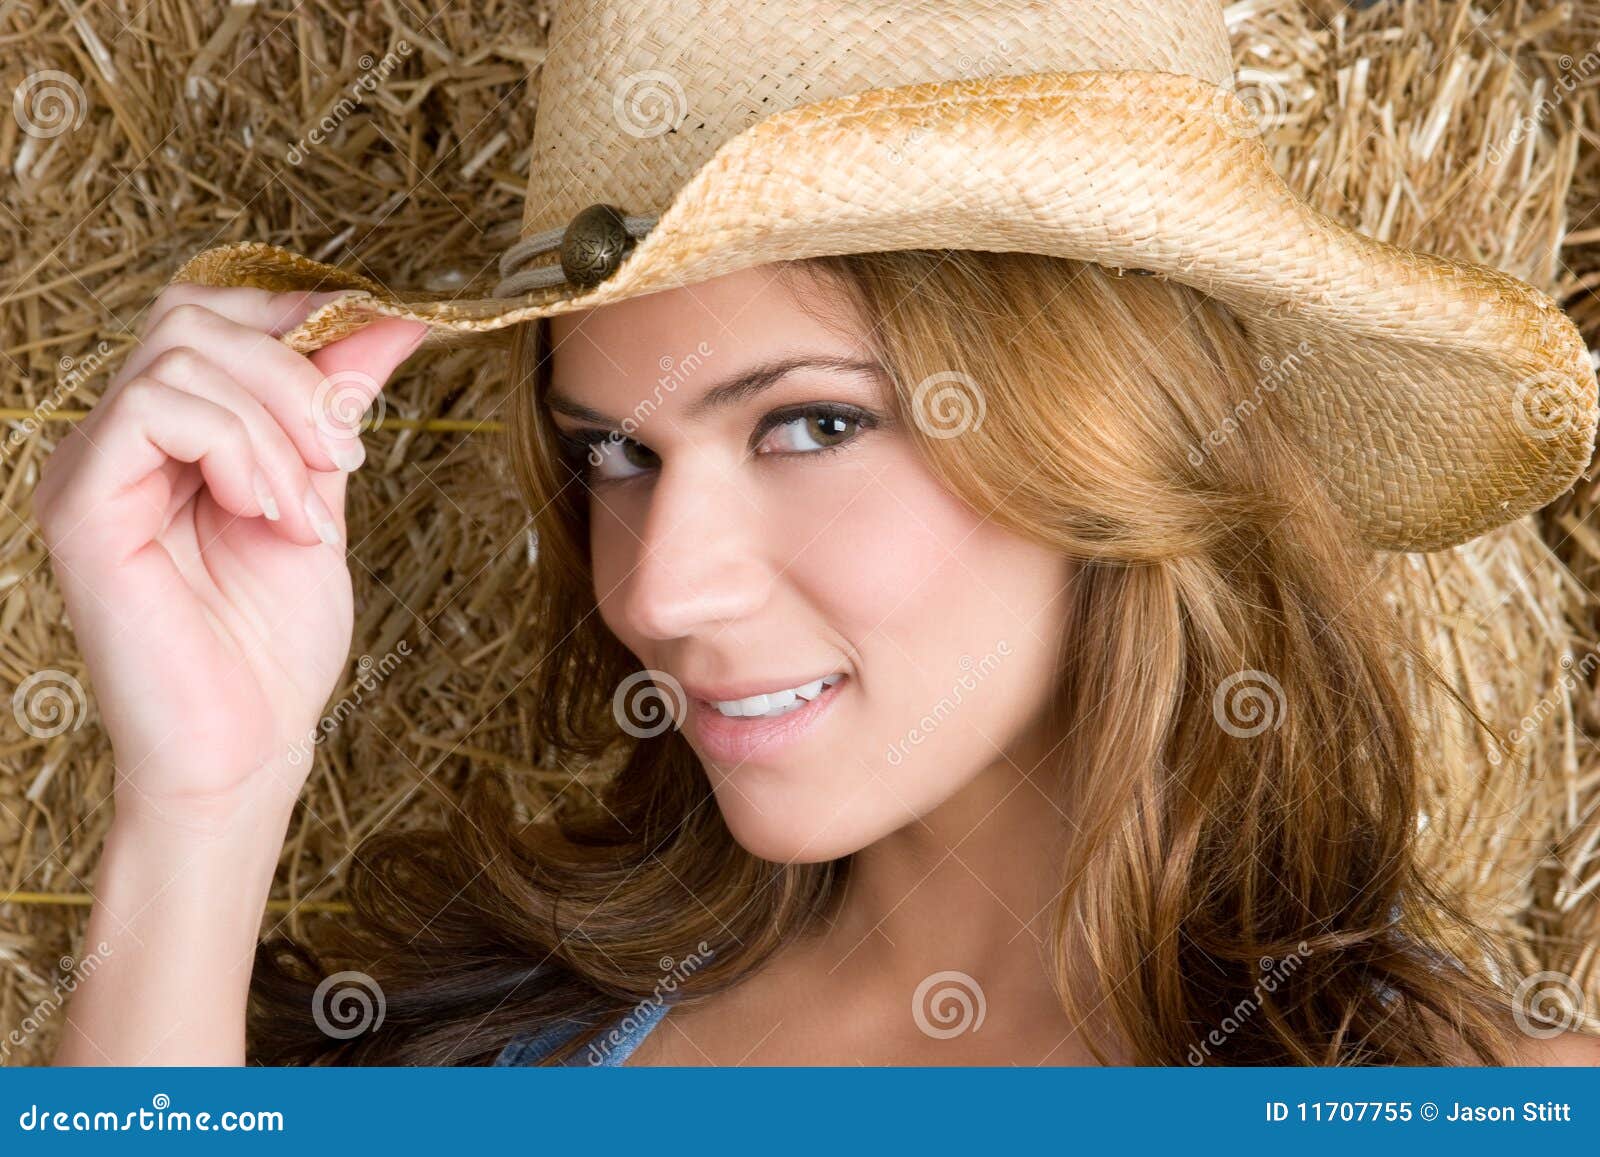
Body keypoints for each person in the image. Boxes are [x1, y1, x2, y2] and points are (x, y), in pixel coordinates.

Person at [40, 248, 1600, 1066]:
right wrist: (208, 795)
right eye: (616, 455)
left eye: (812, 423)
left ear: (1113, 437)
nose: (661, 589)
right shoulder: (481, 1051)